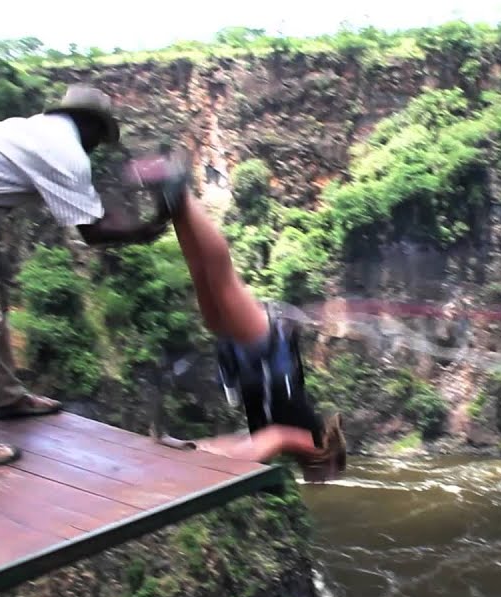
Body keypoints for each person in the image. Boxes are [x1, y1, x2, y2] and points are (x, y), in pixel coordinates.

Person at [0, 84, 171, 470]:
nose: (95, 148)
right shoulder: (66, 152)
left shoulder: (41, 131)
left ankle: (6, 398)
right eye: (98, 139)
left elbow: (92, 213)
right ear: (90, 126)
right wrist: (149, 226)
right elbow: (92, 231)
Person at [125, 151, 347, 482]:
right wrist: (207, 453)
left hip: (252, 355)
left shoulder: (302, 441)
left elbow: (244, 442)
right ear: (328, 460)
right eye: (328, 476)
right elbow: (261, 445)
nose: (321, 482)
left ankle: (173, 202)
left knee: (202, 272)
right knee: (221, 276)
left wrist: (197, 447)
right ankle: (178, 189)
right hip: (266, 347)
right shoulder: (308, 443)